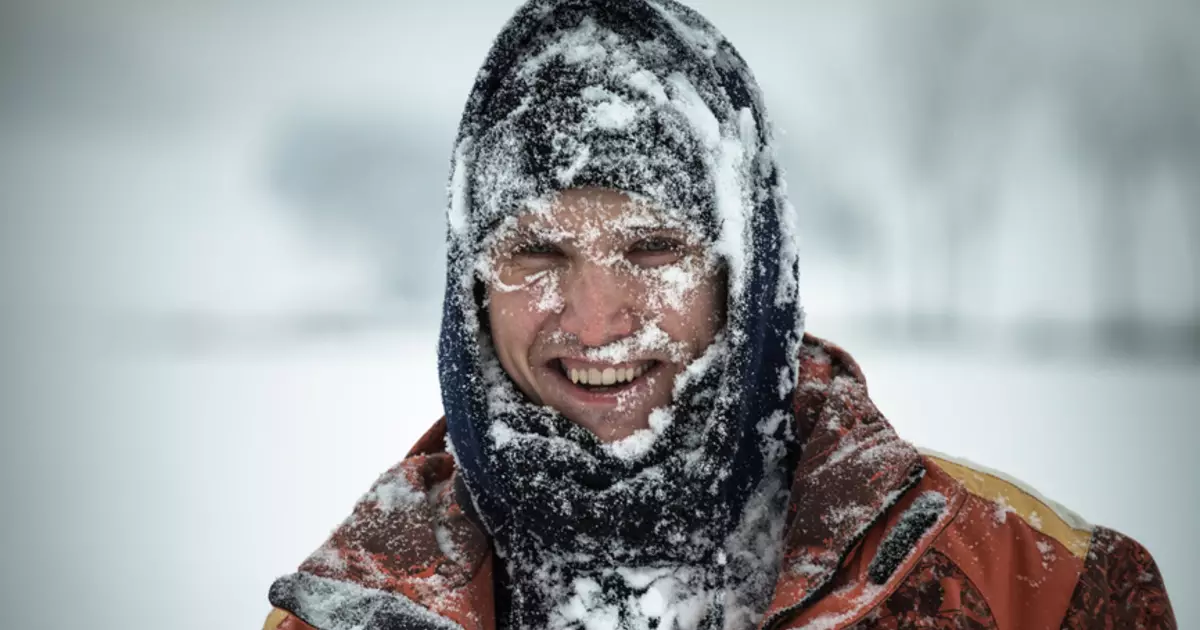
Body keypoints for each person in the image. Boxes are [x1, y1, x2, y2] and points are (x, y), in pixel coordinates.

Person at [263, 1, 1177, 628]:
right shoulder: (349, 607)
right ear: (472, 290)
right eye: (537, 255)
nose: (593, 320)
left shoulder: (1034, 590)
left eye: (655, 250)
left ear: (749, 275)